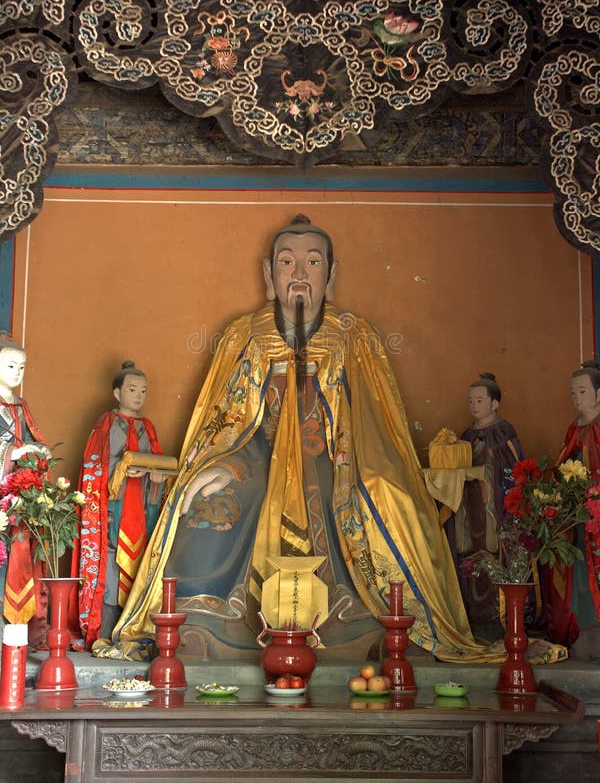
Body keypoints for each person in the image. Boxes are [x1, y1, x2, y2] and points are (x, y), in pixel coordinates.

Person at [108, 217, 509, 663]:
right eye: (287, 262)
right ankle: (203, 622)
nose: (299, 273)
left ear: (331, 276)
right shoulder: (245, 336)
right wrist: (224, 462)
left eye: (313, 262)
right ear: (268, 274)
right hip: (255, 462)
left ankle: (384, 623)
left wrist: (359, 465)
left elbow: (379, 426)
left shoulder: (355, 337)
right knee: (203, 503)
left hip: (340, 461)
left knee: (391, 499)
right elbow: (225, 421)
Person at [74, 360, 170, 649]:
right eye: (132, 389)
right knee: (111, 566)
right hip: (114, 510)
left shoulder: (147, 427)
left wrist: (156, 477)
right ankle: (104, 631)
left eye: (143, 390)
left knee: (140, 564)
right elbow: (95, 464)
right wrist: (122, 469)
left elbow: (157, 462)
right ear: (117, 393)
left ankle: (133, 631)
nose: (138, 396)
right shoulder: (106, 424)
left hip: (141, 510)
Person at [455, 373, 524, 635]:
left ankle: (499, 617)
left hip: (495, 505)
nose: (474, 405)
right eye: (470, 401)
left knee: (495, 552)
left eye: (480, 400)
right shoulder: (467, 434)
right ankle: (474, 615)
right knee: (472, 554)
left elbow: (512, 470)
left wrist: (485, 474)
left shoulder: (503, 432)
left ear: (495, 403)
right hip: (471, 506)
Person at [546, 360, 600, 658]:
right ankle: (582, 627)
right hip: (576, 513)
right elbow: (563, 463)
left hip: (596, 512)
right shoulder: (574, 428)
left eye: (582, 391)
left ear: (598, 394)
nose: (576, 398)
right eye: (572, 392)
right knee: (577, 571)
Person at [0, 338, 50, 641]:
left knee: (19, 560)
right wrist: (12, 453)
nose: (17, 372)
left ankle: (15, 634)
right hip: (2, 493)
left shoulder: (22, 406)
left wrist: (38, 451)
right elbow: (13, 447)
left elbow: (32, 439)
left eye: (21, 367)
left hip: (20, 497)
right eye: (10, 366)